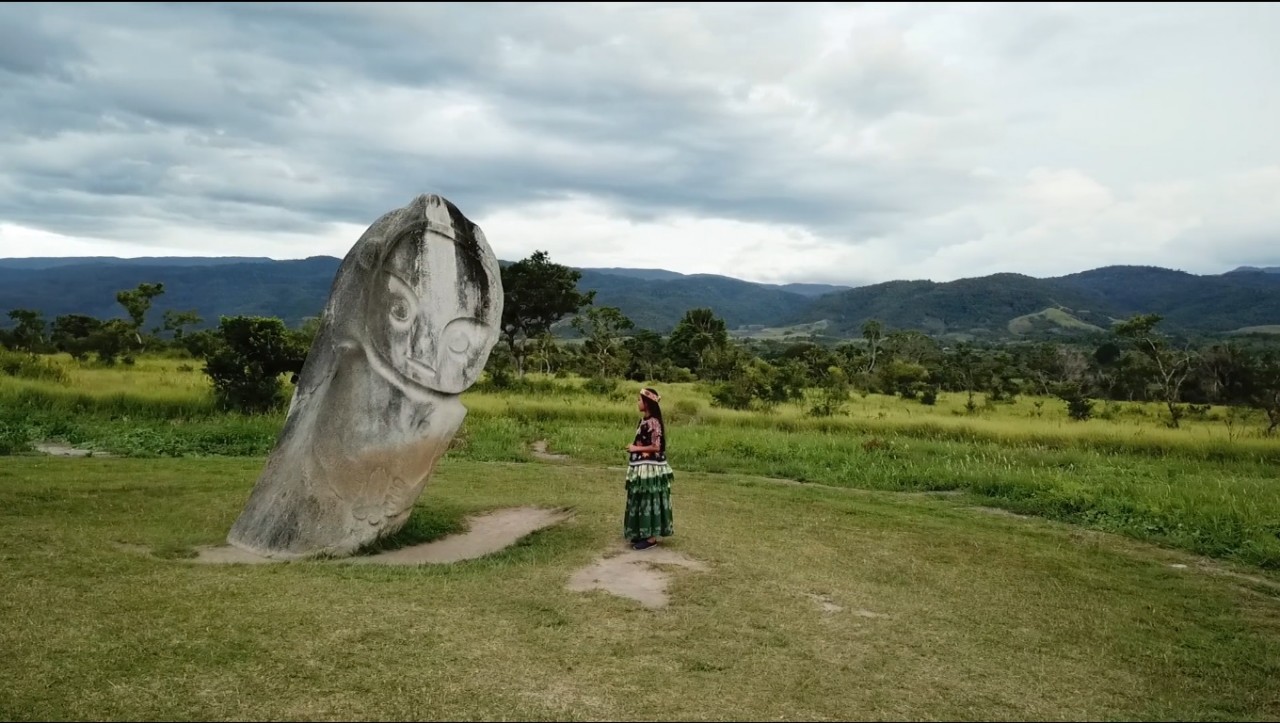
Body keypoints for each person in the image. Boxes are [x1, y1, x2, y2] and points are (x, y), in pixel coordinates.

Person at [623, 387, 674, 550]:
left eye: (639, 399)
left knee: (649, 499)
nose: (637, 402)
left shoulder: (653, 422)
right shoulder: (644, 421)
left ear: (647, 403)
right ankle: (641, 532)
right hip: (641, 466)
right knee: (639, 497)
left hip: (651, 467)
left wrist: (634, 449)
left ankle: (651, 537)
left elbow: (656, 446)